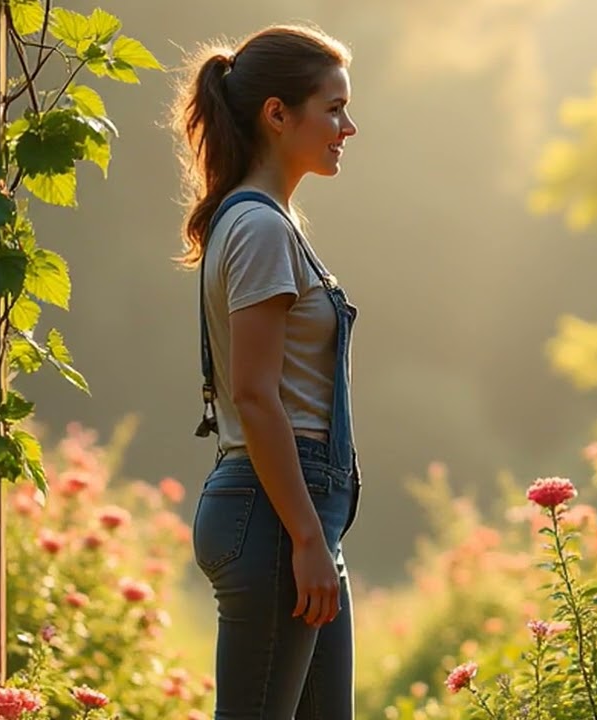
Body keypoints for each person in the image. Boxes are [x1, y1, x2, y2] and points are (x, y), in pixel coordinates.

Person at [171, 23, 362, 719]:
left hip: (295, 512)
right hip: (276, 512)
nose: (348, 126)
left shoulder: (268, 222)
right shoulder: (257, 228)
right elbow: (254, 396)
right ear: (277, 114)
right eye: (333, 108)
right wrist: (307, 537)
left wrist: (316, 533)